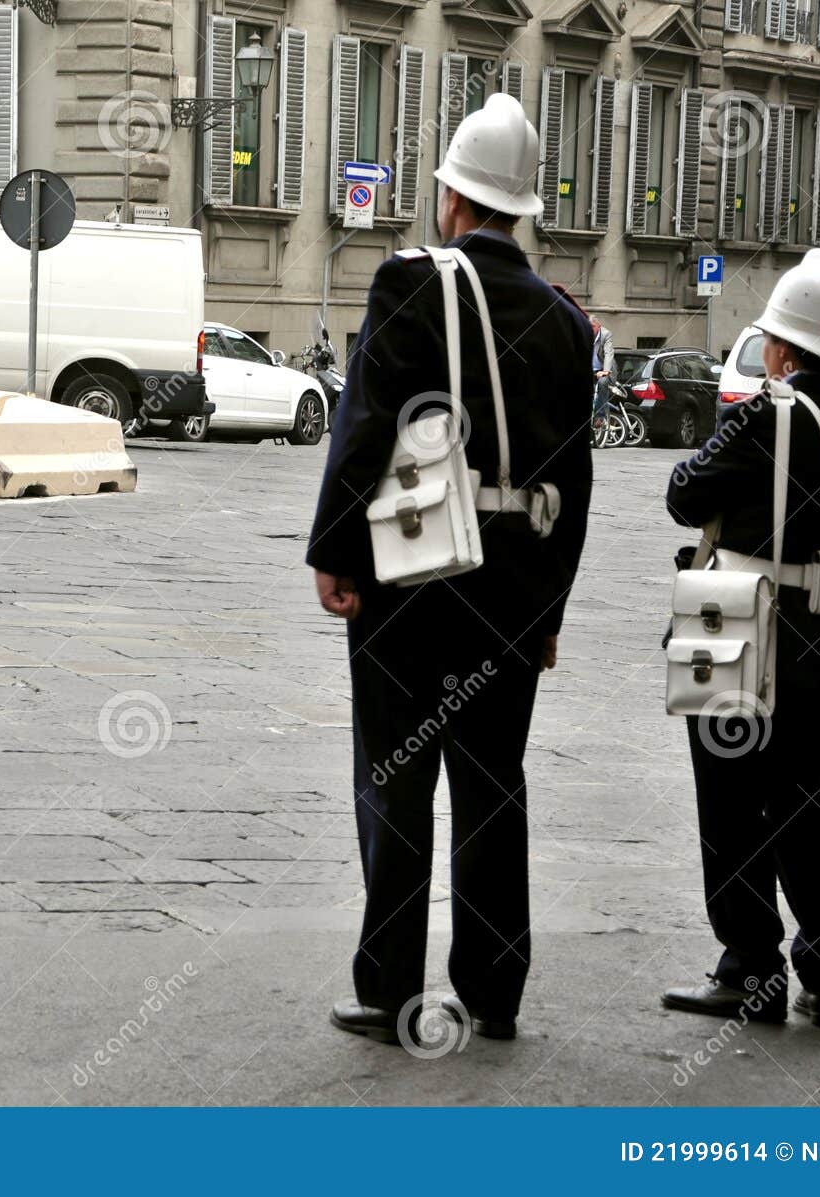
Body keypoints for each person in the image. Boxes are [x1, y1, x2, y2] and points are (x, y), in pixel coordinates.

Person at [307, 93, 594, 1045]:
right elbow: (574, 484)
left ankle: (390, 987)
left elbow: (365, 428)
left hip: (413, 578)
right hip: (513, 591)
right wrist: (549, 609)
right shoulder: (565, 323)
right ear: (520, 211)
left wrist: (336, 552)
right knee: (492, 783)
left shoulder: (409, 283)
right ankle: (496, 990)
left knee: (396, 777)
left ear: (453, 200)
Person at [661, 248, 820, 1031]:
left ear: (786, 348)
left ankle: (751, 967)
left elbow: (684, 494)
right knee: (802, 799)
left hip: (744, 630)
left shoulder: (765, 412)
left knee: (729, 801)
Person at [591, 317, 615, 428]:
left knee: (603, 382)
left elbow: (608, 353)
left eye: (592, 327)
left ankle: (599, 417)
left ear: (598, 327)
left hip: (604, 370)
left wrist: (605, 371)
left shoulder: (606, 334)